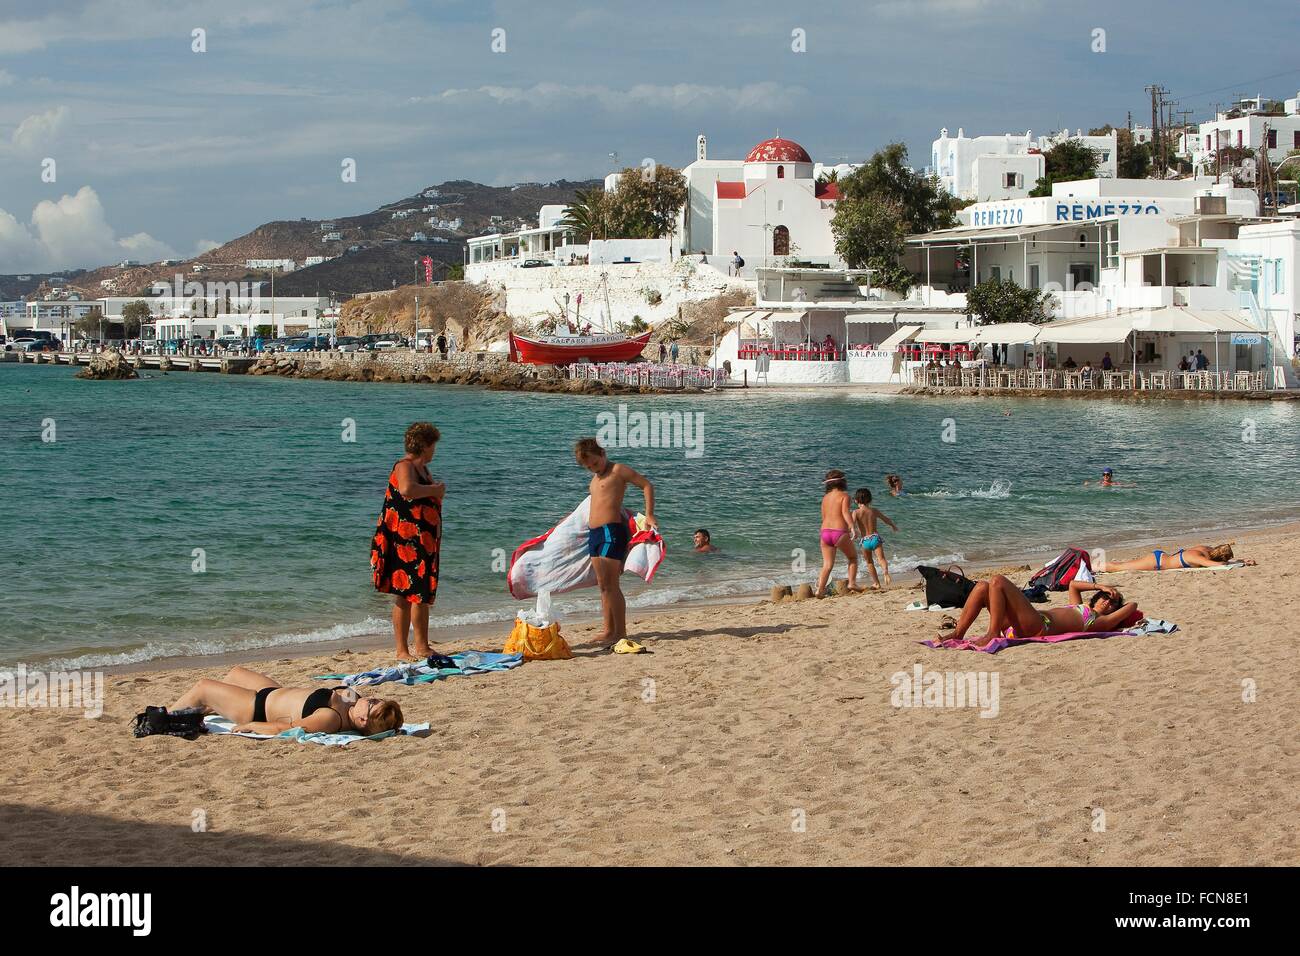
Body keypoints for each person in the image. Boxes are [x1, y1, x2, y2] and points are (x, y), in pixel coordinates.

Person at [371, 422, 446, 661]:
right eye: (433, 446)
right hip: (404, 542)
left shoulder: (422, 469)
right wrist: (435, 490)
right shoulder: (405, 466)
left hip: (421, 541)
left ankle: (422, 646)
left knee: (420, 594)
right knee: (404, 594)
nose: (435, 451)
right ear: (424, 445)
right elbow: (406, 489)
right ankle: (402, 650)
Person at [574, 437, 657, 646]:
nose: (593, 468)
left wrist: (649, 514)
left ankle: (620, 632)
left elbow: (646, 485)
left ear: (603, 453)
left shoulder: (618, 470)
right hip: (595, 534)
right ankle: (608, 630)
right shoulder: (594, 480)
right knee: (603, 586)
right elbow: (591, 506)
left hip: (611, 532)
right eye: (588, 467)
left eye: (594, 462)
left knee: (611, 585)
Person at [172, 665, 402, 736]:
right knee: (235, 673)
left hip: (256, 707)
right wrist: (351, 694)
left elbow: (287, 729)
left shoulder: (330, 718)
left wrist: (251, 726)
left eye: (373, 704)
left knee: (203, 687)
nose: (371, 698)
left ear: (362, 720)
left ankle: (164, 717)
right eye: (376, 698)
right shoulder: (354, 702)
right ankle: (213, 706)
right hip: (273, 692)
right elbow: (345, 689)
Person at [938, 577, 1136, 648]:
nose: (1108, 602)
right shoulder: (1081, 607)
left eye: (1113, 604)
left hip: (1038, 627)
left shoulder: (1099, 622)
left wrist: (1117, 596)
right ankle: (958, 633)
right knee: (982, 586)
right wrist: (1100, 585)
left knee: (998, 581)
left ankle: (991, 633)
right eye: (1105, 597)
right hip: (1021, 623)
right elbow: (1074, 585)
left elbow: (1133, 605)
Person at [815, 469, 861, 597]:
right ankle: (852, 583)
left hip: (825, 532)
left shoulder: (825, 498)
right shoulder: (844, 496)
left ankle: (820, 590)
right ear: (842, 482)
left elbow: (823, 516)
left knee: (827, 564)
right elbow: (845, 513)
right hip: (839, 531)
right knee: (852, 558)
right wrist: (852, 527)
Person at [850, 488, 898, 589]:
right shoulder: (874, 511)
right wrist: (893, 526)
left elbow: (852, 525)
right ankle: (885, 571)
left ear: (856, 500)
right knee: (881, 558)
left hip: (865, 541)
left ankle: (876, 583)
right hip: (875, 538)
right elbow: (886, 519)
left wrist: (854, 533)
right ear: (870, 500)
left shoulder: (856, 512)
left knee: (869, 562)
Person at [1098, 542, 1254, 572]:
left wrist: (1241, 560)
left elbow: (1215, 560)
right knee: (1120, 567)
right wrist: (1238, 563)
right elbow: (1215, 565)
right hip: (1158, 563)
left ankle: (1097, 564)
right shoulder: (1199, 557)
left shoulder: (1204, 549)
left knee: (1124, 564)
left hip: (1160, 557)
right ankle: (1094, 566)